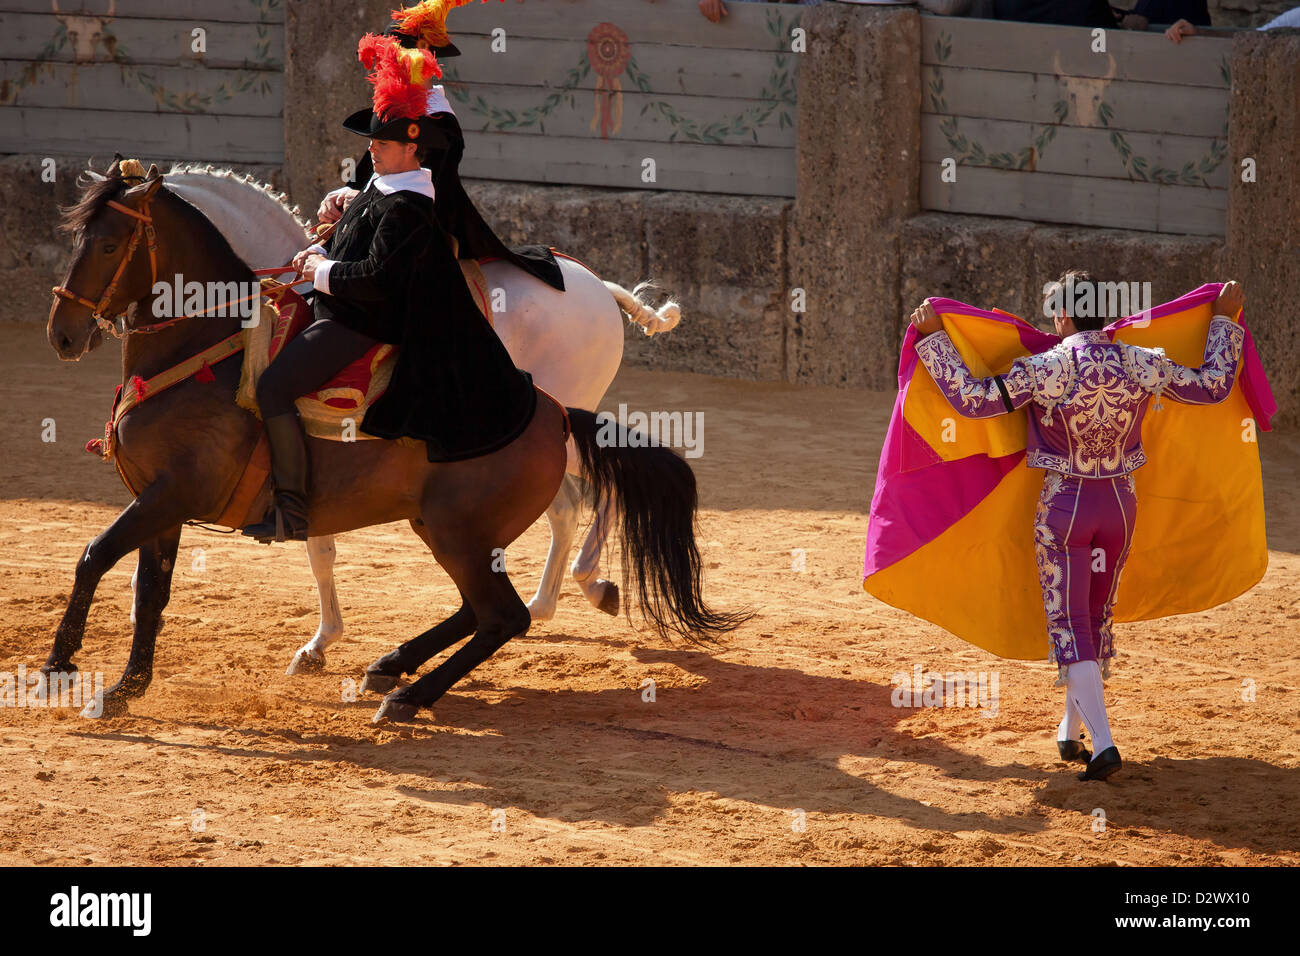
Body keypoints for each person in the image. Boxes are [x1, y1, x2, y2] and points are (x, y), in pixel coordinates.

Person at [906, 273, 1246, 781]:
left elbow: (973, 400)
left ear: (1063, 316)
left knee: (1071, 625)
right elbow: (1214, 385)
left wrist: (934, 338)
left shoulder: (1048, 367)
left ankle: (1105, 744)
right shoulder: (1139, 360)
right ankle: (1071, 732)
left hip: (1065, 509)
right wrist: (1222, 321)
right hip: (1120, 508)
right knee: (1093, 615)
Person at [243, 39, 538, 542]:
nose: (370, 150)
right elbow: (356, 237)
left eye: (381, 144)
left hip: (358, 321)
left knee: (271, 388)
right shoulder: (382, 187)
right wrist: (330, 234)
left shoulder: (408, 209)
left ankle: (291, 511)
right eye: (371, 142)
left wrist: (318, 269)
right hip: (334, 301)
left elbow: (377, 280)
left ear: (411, 148)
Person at [319, 0, 564, 291]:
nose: (387, 71)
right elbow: (371, 169)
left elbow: (410, 186)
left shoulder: (438, 121)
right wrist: (347, 193)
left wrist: (363, 201)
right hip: (382, 212)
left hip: (423, 223)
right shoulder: (395, 111)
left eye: (395, 61)